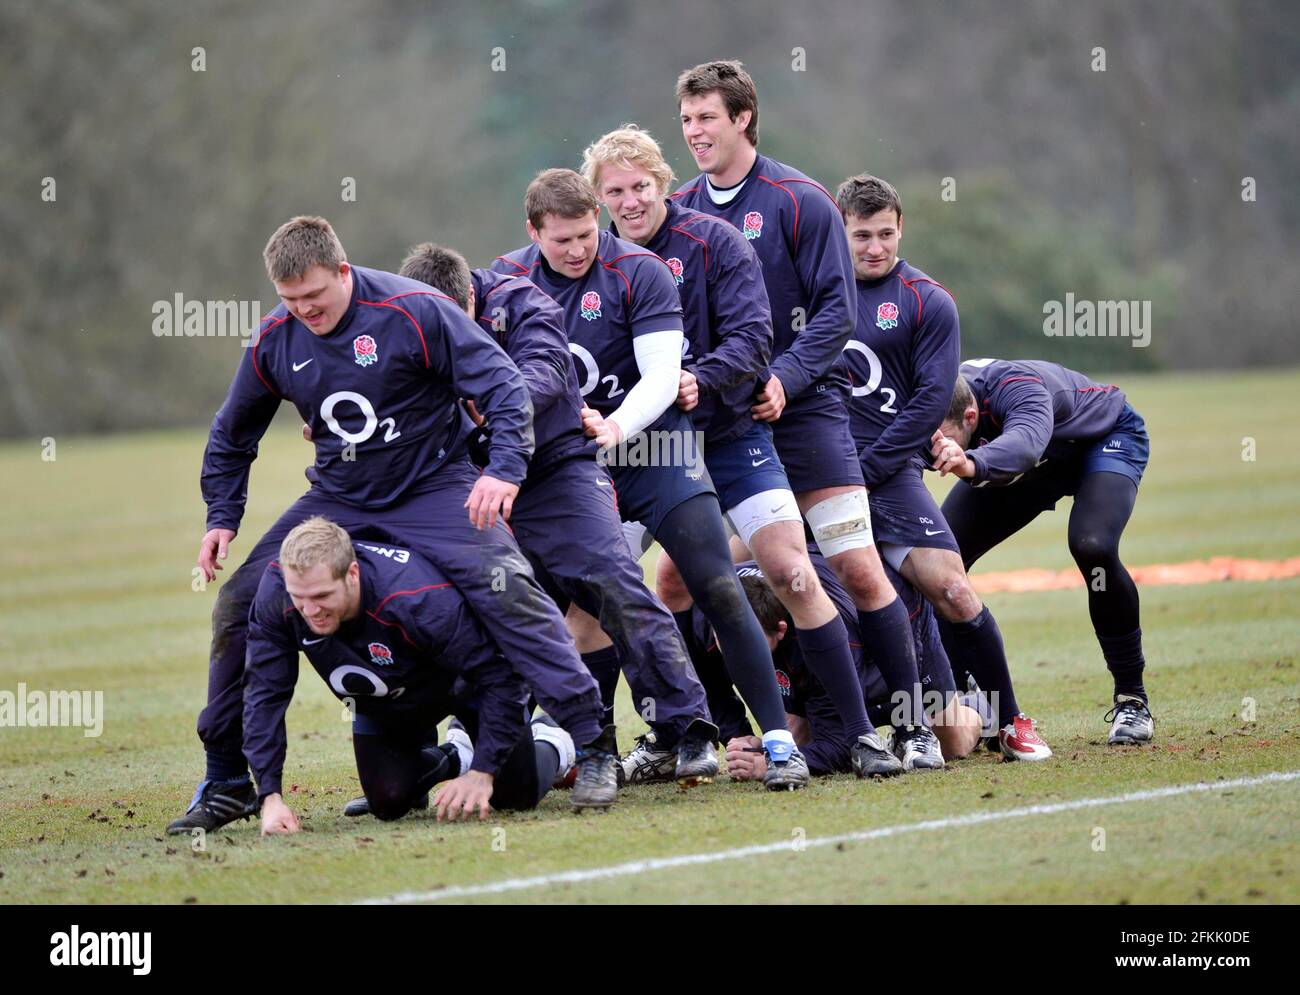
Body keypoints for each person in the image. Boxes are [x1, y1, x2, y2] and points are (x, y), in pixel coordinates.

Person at [170, 215, 615, 834]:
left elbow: (505, 386)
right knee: (240, 600)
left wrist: (504, 470)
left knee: (506, 586)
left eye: (316, 297)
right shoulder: (276, 337)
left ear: (344, 272)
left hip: (434, 486)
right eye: (291, 301)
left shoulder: (416, 311)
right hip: (342, 495)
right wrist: (222, 515)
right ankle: (225, 778)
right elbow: (232, 432)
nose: (305, 311)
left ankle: (593, 744)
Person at [582, 125, 892, 780]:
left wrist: (705, 377)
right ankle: (682, 734)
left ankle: (864, 735)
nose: (631, 201)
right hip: (648, 449)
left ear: (663, 183)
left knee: (791, 569)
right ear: (598, 198)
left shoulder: (714, 242)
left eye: (641, 186)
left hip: (727, 434)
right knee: (610, 589)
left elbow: (755, 337)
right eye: (616, 191)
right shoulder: (593, 262)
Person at [492, 168, 809, 790]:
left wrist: (614, 427)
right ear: (533, 233)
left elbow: (663, 376)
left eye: (587, 234)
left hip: (652, 446)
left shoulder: (640, 270)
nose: (580, 249)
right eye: (563, 241)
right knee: (578, 601)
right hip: (560, 464)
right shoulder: (505, 281)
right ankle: (592, 747)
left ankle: (777, 743)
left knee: (715, 582)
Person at [671, 61, 942, 768]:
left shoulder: (801, 200)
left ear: (743, 118)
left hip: (807, 411)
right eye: (687, 119)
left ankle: (907, 725)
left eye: (707, 117)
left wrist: (786, 379)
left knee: (853, 565)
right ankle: (711, 730)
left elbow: (836, 310)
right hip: (720, 425)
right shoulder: (676, 209)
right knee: (671, 581)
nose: (696, 131)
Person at [395, 242, 718, 785]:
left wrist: (495, 406)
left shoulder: (524, 303)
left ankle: (687, 727)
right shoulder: (402, 318)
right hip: (466, 478)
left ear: (472, 298)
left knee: (612, 582)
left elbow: (543, 374)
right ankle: (452, 752)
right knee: (452, 601)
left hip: (557, 467)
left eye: (455, 321)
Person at [834, 172, 1051, 761]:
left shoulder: (928, 300)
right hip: (815, 476)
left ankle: (1007, 721)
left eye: (885, 233)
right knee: (722, 574)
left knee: (953, 587)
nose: (874, 247)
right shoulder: (812, 292)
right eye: (860, 235)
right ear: (839, 230)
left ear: (901, 228)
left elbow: (931, 400)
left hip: (887, 475)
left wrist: (871, 467)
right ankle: (746, 733)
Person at [244, 518, 579, 832]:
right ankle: (458, 753)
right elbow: (263, 696)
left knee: (515, 798)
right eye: (299, 597)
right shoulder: (277, 597)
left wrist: (483, 771)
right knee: (388, 802)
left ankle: (554, 738)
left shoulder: (419, 600)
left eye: (321, 596)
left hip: (465, 686)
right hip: (386, 700)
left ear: (352, 574)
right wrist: (270, 796)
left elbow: (500, 677)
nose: (310, 611)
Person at [932, 360, 1155, 745]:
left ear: (971, 416)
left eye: (942, 439)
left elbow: (1023, 444)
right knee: (936, 562)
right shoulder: (935, 397)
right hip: (1033, 464)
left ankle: (1132, 699)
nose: (934, 448)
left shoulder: (1018, 387)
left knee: (1093, 546)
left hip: (1100, 438)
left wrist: (971, 462)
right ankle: (977, 701)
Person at [690, 541, 985, 779]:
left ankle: (980, 707)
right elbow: (713, 688)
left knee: (952, 743)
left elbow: (844, 748)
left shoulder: (818, 640)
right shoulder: (712, 616)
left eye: (749, 646)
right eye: (725, 640)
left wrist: (767, 764)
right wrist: (743, 739)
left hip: (900, 627)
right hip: (819, 626)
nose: (734, 653)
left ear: (780, 631)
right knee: (795, 738)